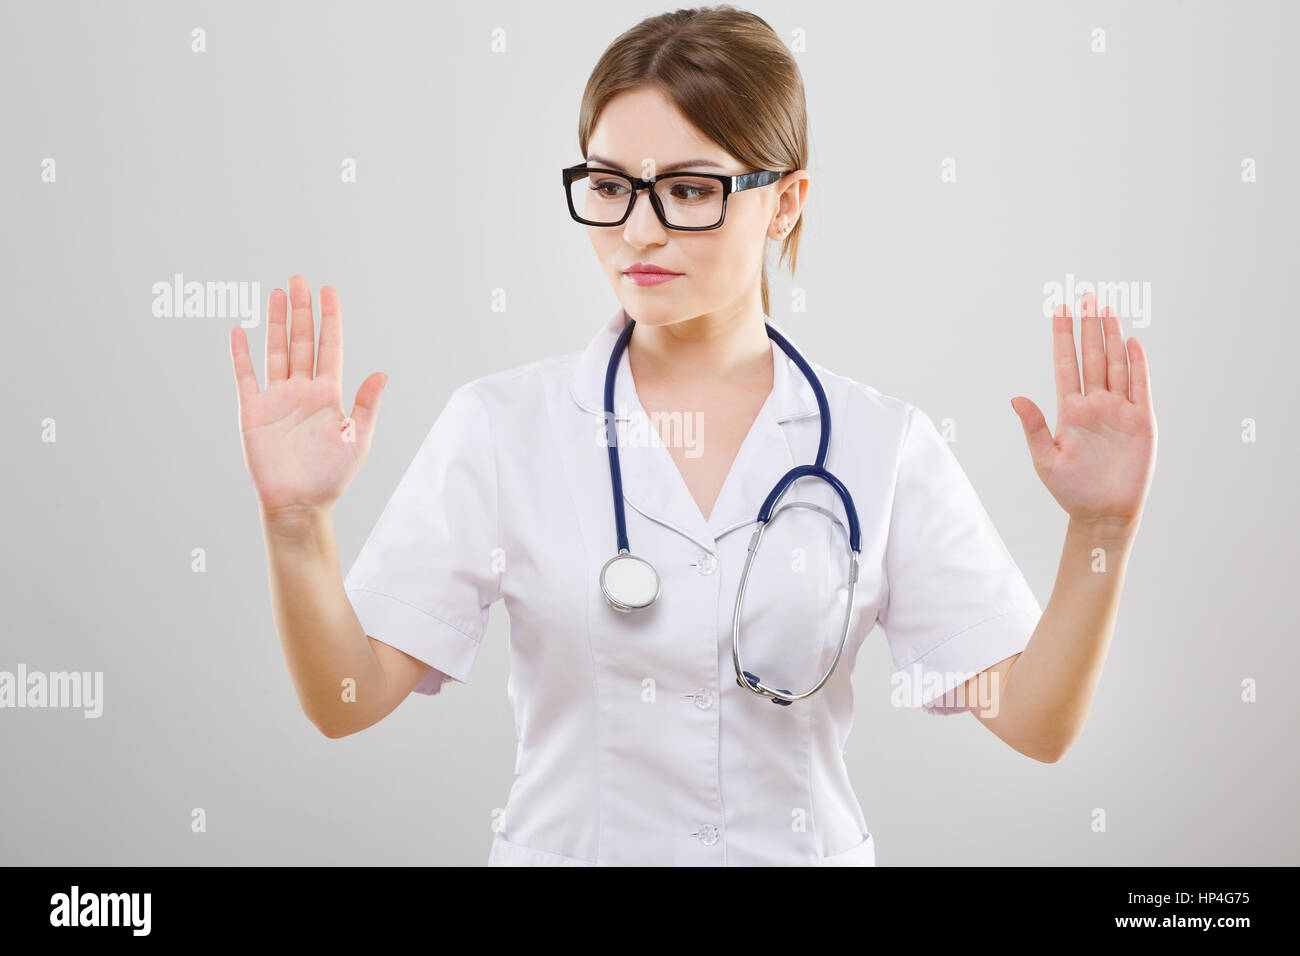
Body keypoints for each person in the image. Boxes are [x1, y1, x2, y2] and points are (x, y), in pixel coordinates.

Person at [227, 5, 1157, 866]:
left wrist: (1101, 535)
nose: (638, 229)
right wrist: (297, 525)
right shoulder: (501, 428)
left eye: (688, 189)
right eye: (609, 185)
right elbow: (346, 702)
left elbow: (1035, 724)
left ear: (785, 201)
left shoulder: (883, 446)